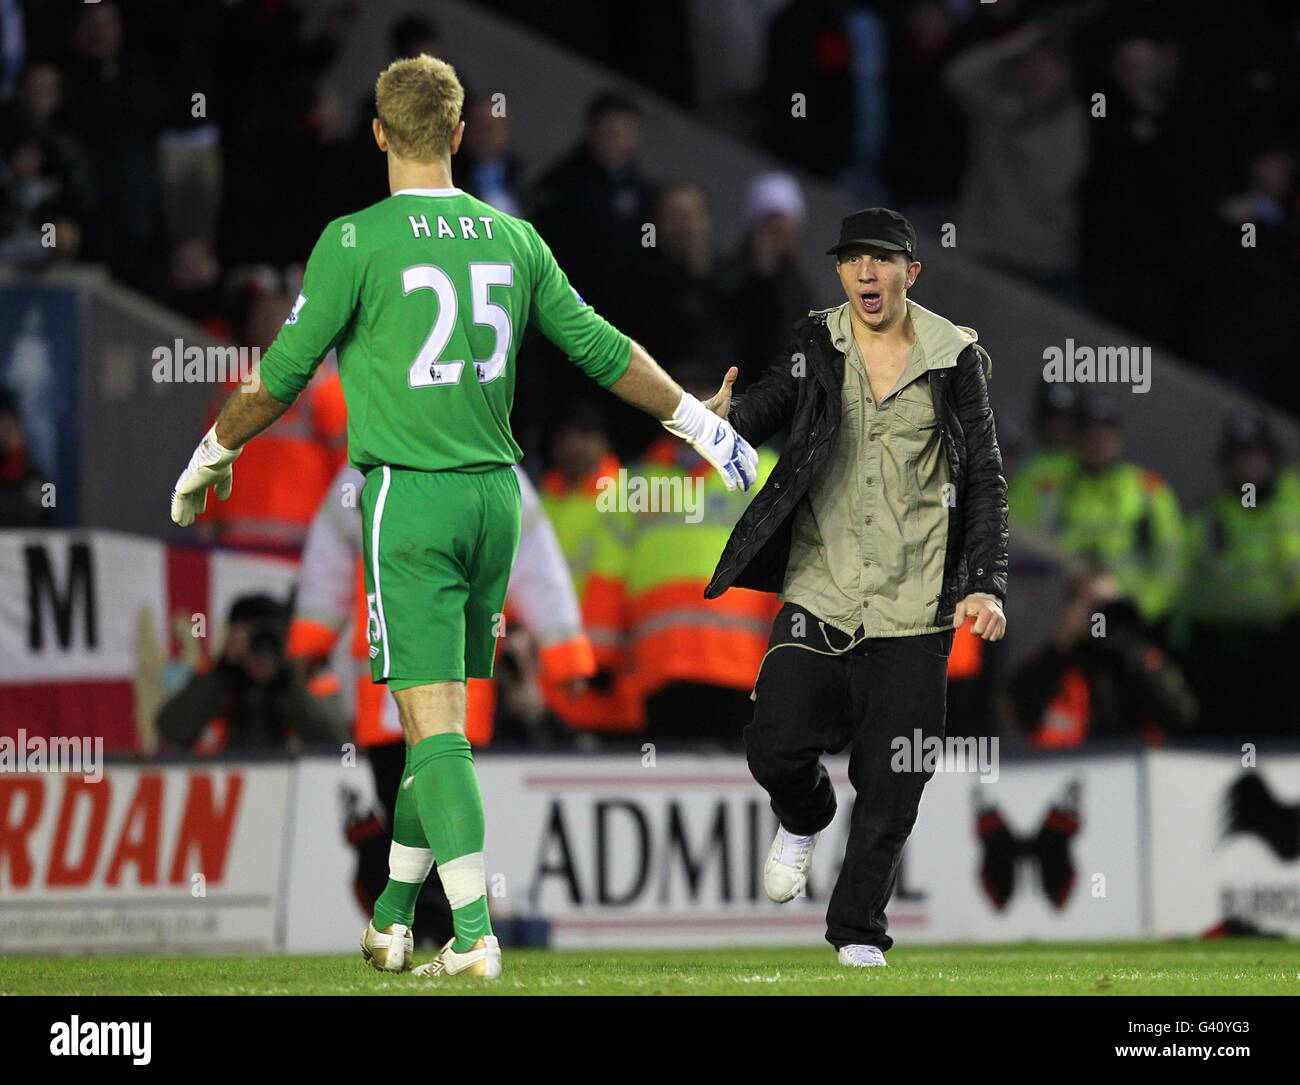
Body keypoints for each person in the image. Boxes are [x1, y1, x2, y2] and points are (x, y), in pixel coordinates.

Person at [168, 55, 757, 981]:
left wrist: (211, 454)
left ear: (375, 135)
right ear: (455, 134)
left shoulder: (354, 242)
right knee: (431, 727)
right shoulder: (514, 239)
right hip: (497, 500)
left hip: (411, 497)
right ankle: (396, 918)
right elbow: (602, 350)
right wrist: (693, 419)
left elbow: (280, 375)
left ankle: (475, 930)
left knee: (434, 727)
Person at [702, 207, 1009, 966]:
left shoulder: (954, 356)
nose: (865, 273)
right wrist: (725, 421)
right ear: (839, 272)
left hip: (915, 601)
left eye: (881, 260)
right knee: (774, 745)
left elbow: (986, 484)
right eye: (852, 261)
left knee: (895, 776)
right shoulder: (818, 340)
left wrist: (987, 584)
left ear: (912, 271)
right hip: (822, 586)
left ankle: (858, 931)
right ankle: (804, 814)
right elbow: (770, 403)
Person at [156, 593, 346, 752]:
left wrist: (285, 679)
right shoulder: (220, 678)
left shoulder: (305, 680)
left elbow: (336, 744)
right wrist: (224, 668)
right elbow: (171, 728)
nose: (261, 646)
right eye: (253, 636)